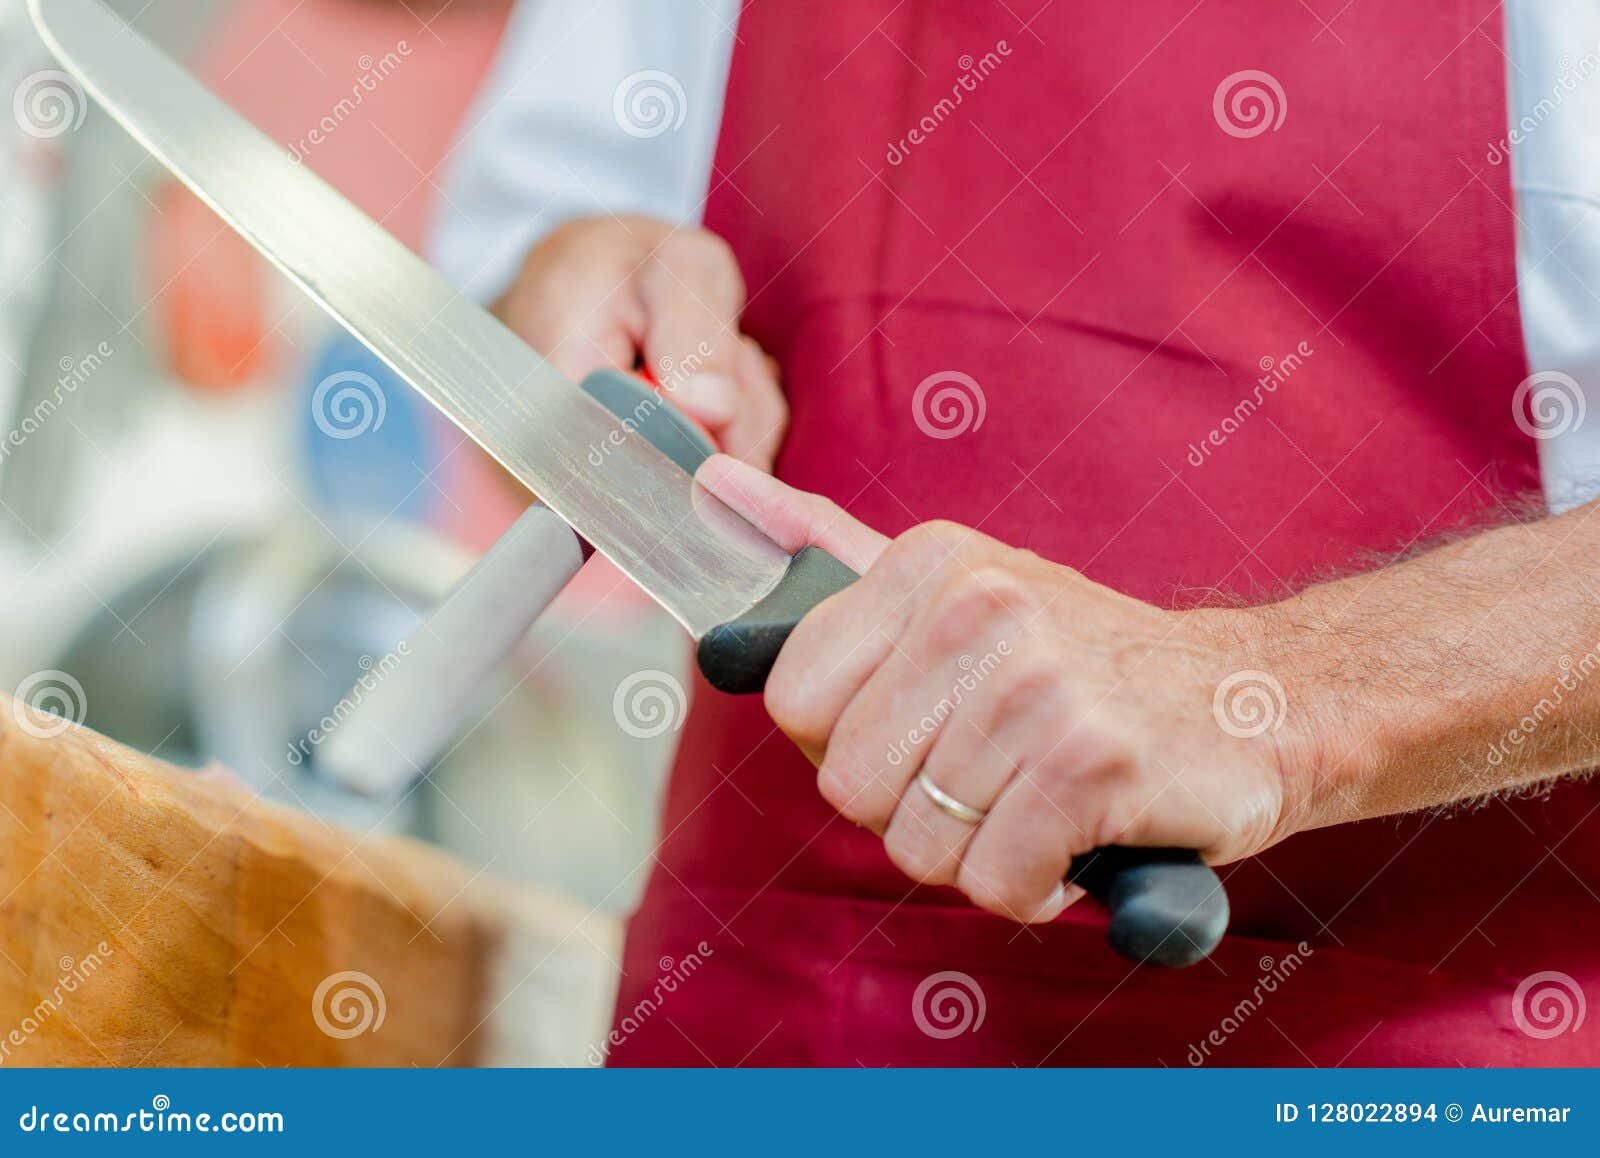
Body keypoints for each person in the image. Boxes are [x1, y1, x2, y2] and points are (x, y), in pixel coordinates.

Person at [430, 0, 1600, 1065]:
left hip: (1390, 1036)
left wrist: (1272, 705)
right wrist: (587, 319)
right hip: (762, 1011)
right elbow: (543, 296)